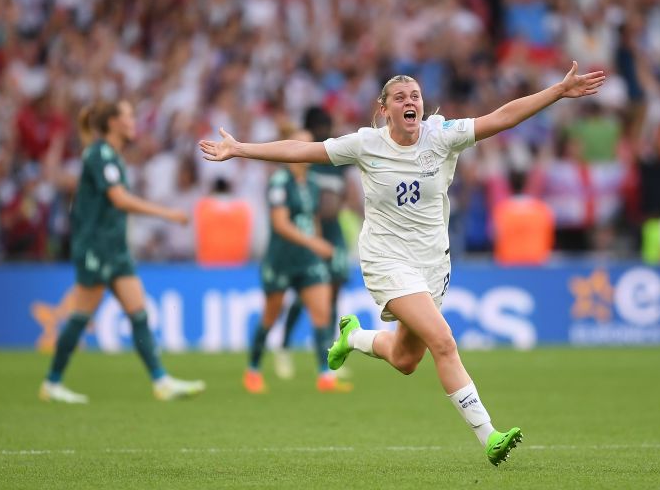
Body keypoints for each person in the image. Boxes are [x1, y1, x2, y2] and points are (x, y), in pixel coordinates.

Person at [199, 62, 605, 465]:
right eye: (400, 97)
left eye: (415, 96)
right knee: (443, 341)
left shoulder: (442, 136)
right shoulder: (366, 144)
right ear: (384, 109)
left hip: (432, 264)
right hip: (386, 260)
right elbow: (302, 150)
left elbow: (502, 117)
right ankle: (489, 436)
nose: (410, 102)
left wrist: (557, 91)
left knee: (406, 359)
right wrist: (240, 148)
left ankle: (354, 338)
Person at [39, 100, 206, 403]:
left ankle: (161, 381)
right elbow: (119, 199)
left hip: (115, 249)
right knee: (81, 316)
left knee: (138, 313)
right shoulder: (100, 154)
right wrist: (167, 214)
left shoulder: (110, 155)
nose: (133, 121)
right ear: (113, 122)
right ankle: (52, 383)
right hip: (96, 248)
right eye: (128, 116)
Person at [244, 128, 352, 394]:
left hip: (307, 260)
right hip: (281, 259)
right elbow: (280, 224)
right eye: (301, 145)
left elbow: (313, 219)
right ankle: (253, 370)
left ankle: (325, 376)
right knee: (270, 316)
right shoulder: (280, 182)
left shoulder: (313, 182)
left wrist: (317, 243)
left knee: (322, 312)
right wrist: (314, 242)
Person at [274, 107, 352, 380]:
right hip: (312, 231)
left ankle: (331, 351)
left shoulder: (338, 159)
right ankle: (284, 346)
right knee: (305, 293)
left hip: (334, 232)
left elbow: (344, 194)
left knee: (334, 290)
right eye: (321, 127)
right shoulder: (305, 159)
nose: (325, 132)